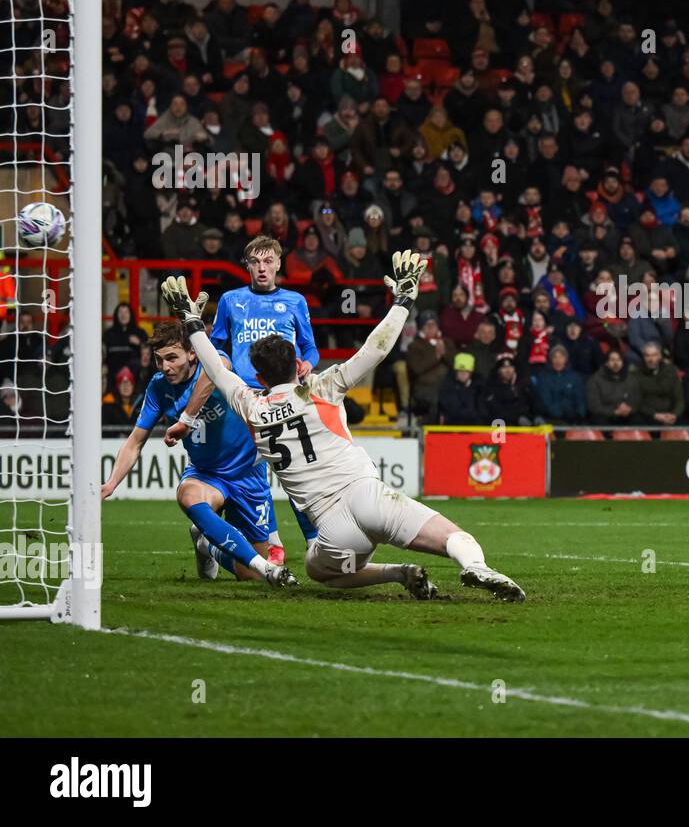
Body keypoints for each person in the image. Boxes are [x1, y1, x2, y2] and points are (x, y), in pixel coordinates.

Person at [158, 252, 524, 601]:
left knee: (318, 570)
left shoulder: (251, 406)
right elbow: (374, 350)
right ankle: (475, 565)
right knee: (452, 537)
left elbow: (218, 371)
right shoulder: (322, 386)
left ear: (257, 376)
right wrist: (403, 300)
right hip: (368, 496)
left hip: (332, 529)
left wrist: (192, 324)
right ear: (298, 365)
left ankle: (396, 572)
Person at [166, 235, 321, 564]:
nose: (262, 268)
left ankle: (309, 540)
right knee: (260, 470)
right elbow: (217, 346)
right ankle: (273, 541)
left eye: (268, 261)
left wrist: (308, 363)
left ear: (279, 264)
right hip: (242, 399)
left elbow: (311, 348)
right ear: (247, 266)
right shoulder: (230, 300)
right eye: (256, 262)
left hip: (282, 394)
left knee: (290, 466)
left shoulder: (295, 301)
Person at [102, 322, 293, 587]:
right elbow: (135, 441)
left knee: (247, 575)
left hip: (248, 475)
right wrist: (111, 484)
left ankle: (206, 545)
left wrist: (186, 419)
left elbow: (218, 371)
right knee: (187, 495)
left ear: (193, 353)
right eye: (159, 360)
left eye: (172, 358)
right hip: (207, 475)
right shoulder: (159, 387)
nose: (165, 367)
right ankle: (261, 566)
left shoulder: (216, 361)